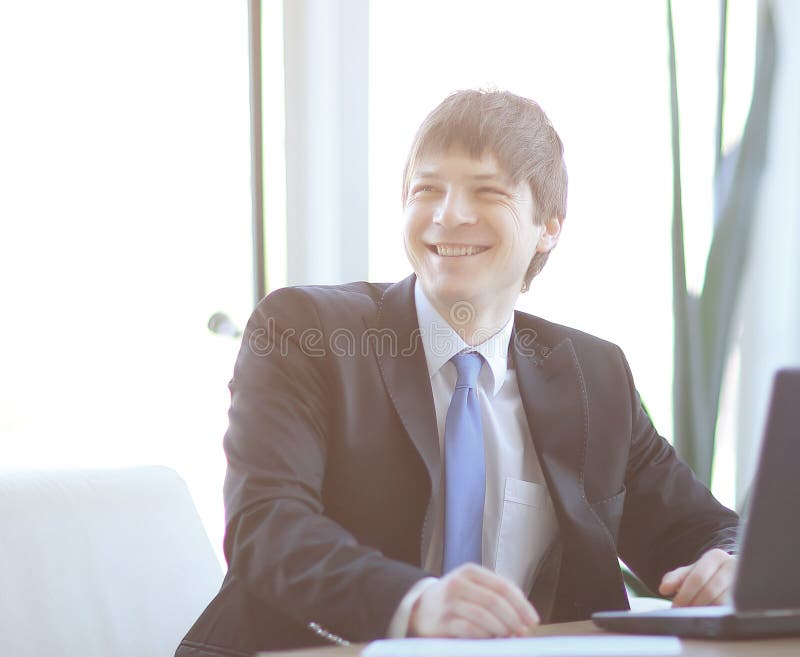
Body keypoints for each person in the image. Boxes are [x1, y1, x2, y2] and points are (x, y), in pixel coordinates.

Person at [176, 89, 738, 656]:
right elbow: (267, 527)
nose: (448, 214)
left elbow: (704, 529)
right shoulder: (305, 330)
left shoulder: (594, 376)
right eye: (427, 190)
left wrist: (730, 564)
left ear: (548, 227)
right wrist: (414, 604)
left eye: (487, 191)